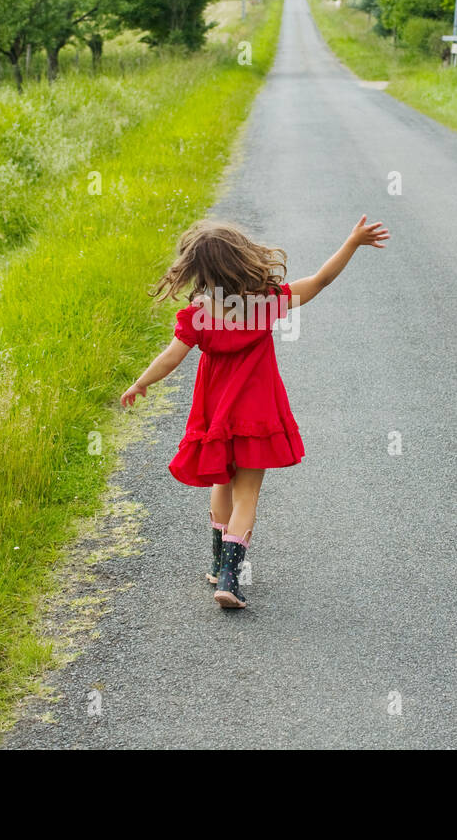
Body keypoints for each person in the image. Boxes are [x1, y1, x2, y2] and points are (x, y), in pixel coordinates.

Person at [121, 215, 390, 609]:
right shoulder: (264, 303)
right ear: (242, 260)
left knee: (221, 480)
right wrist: (351, 242)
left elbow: (171, 357)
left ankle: (217, 565)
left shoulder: (199, 313)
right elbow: (319, 282)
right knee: (247, 495)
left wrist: (141, 382)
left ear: (200, 269)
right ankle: (229, 578)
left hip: (216, 413)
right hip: (258, 412)